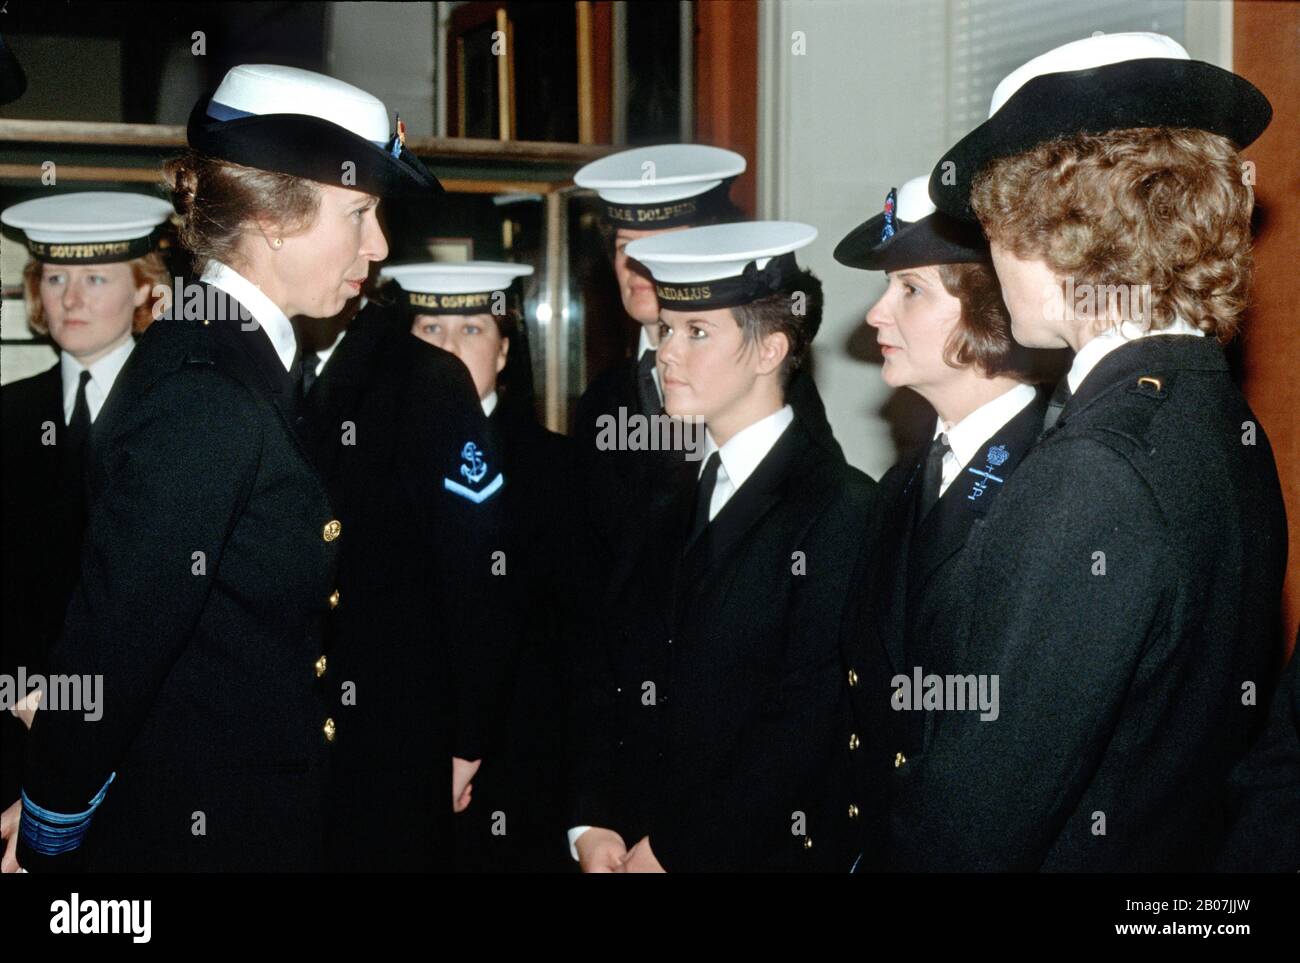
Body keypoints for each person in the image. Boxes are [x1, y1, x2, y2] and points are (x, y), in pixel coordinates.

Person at [1, 62, 440, 872]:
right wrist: (48, 831)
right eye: (361, 213)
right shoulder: (211, 394)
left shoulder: (242, 365)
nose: (378, 246)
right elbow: (117, 641)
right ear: (276, 215)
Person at [890, 32, 1287, 871]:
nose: (995, 262)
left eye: (995, 227)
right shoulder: (1223, 422)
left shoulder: (1092, 471)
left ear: (1056, 231)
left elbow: (971, 822)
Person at [570, 221, 879, 872]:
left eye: (698, 332)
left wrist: (677, 847)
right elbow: (613, 667)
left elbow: (801, 725)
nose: (666, 354)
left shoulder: (836, 508)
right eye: (666, 331)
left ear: (770, 348)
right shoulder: (668, 495)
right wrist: (594, 816)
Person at [831, 175, 1063, 868]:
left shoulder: (1053, 478)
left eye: (911, 289)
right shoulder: (902, 483)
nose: (875, 314)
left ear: (987, 307)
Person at [301, 257, 516, 872]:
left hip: (390, 740)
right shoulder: (261, 364)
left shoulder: (424, 380)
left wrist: (465, 741)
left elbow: (477, 572)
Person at [389, 261, 586, 872]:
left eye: (471, 330)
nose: (447, 351)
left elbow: (569, 645)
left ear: (504, 350)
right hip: (399, 761)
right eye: (430, 329)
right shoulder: (369, 463)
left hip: (521, 771)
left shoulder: (559, 470)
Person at [572, 145, 843, 567]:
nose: (638, 266)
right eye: (626, 246)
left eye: (661, 247)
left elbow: (812, 517)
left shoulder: (766, 387)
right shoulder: (602, 399)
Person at [0, 192, 172, 813]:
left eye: (96, 277)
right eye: (56, 278)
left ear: (142, 290)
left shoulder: (179, 411)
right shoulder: (9, 415)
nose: (71, 299)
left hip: (148, 733)